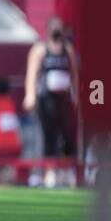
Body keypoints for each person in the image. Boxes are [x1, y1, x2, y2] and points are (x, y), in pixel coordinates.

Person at [24, 16, 78, 184]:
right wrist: (30, 94)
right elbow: (32, 73)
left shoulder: (67, 50)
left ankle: (67, 170)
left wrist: (76, 96)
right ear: (47, 30)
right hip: (46, 99)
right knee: (48, 135)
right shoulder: (40, 49)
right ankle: (49, 172)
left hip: (64, 98)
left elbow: (74, 74)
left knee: (68, 135)